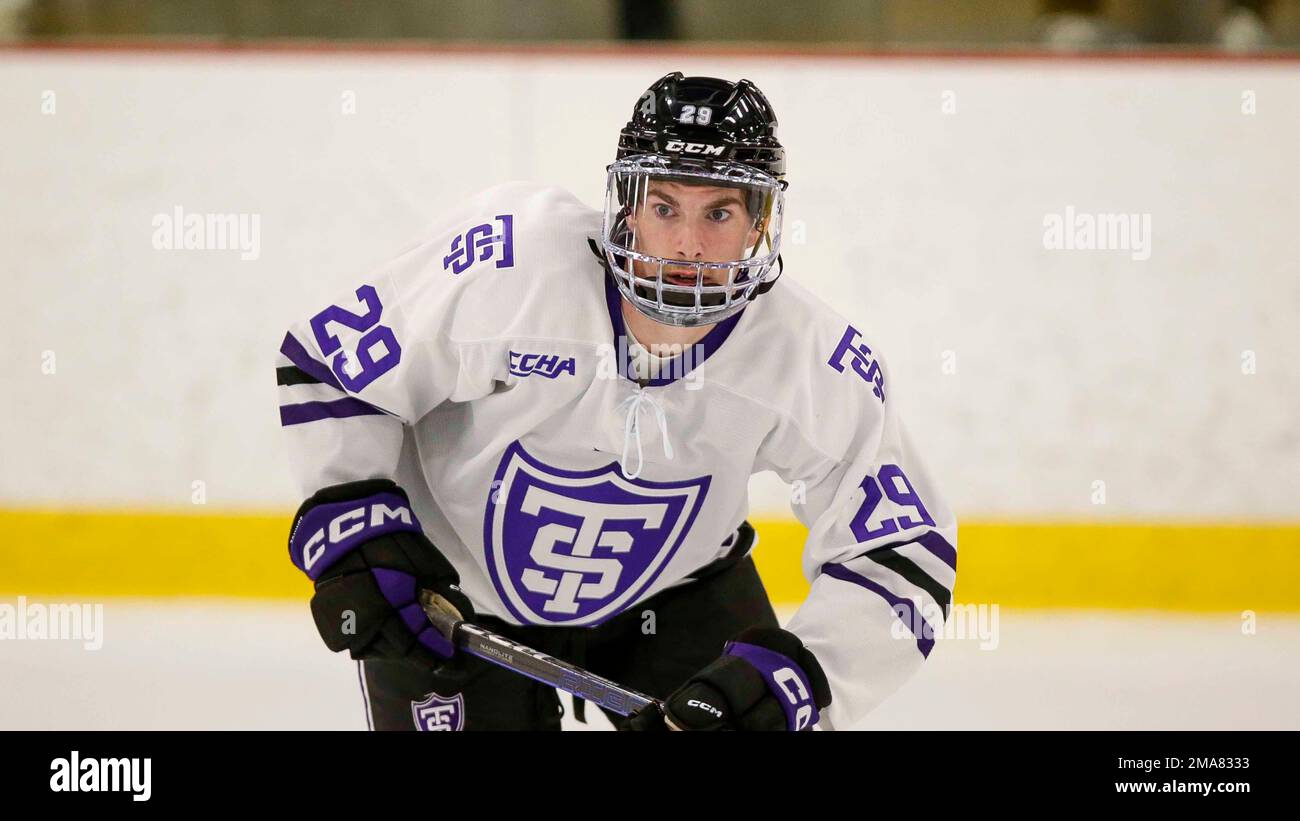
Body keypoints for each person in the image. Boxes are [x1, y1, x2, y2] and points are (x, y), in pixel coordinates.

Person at [276, 71, 957, 731]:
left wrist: (800, 676)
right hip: (452, 601)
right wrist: (355, 522)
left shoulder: (806, 357)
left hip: (680, 598)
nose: (689, 244)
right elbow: (328, 362)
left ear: (760, 221)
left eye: (719, 211)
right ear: (627, 208)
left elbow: (907, 548)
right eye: (666, 207)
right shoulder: (511, 270)